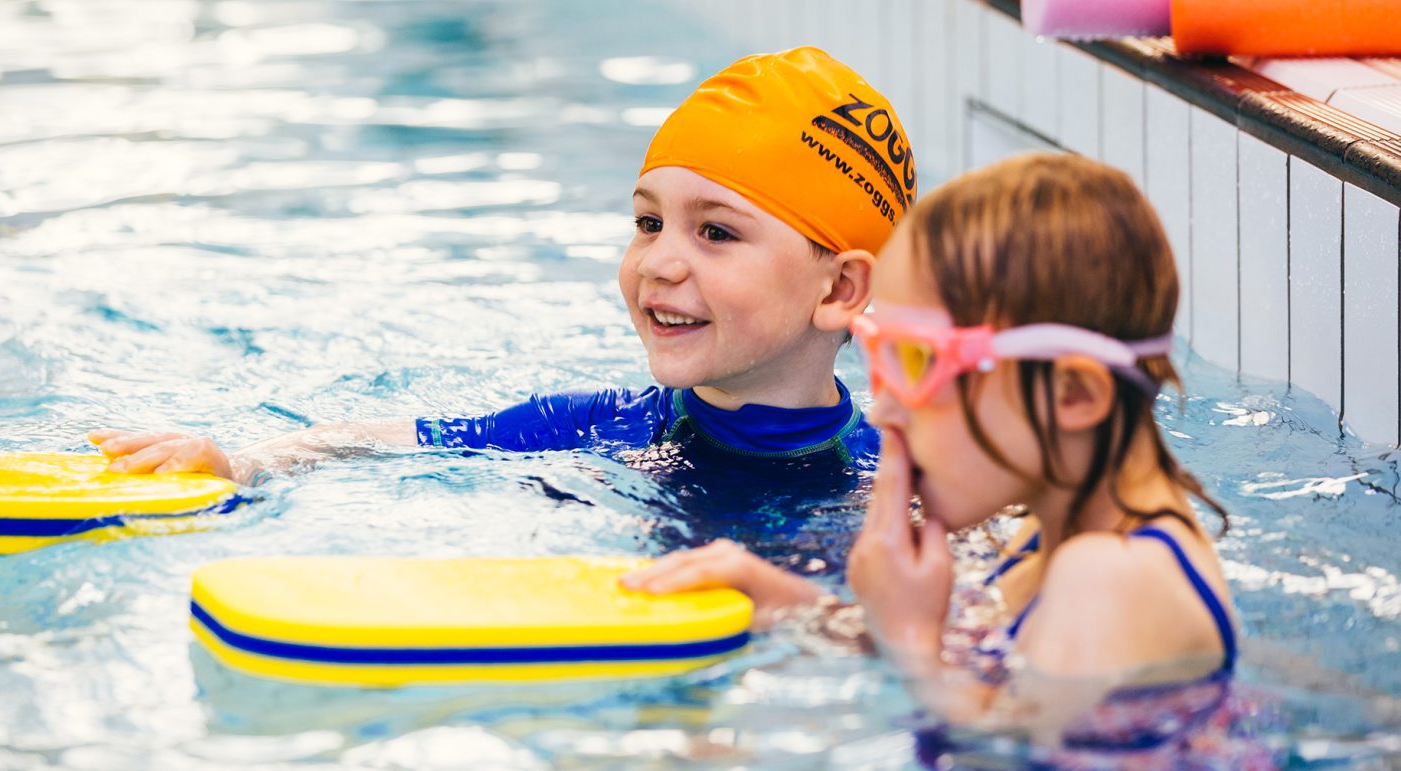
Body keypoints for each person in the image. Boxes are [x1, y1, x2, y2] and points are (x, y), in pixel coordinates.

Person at [90, 47, 915, 492]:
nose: (659, 261)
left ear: (840, 288)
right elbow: (386, 444)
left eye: (718, 234)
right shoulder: (595, 428)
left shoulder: (914, 469)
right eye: (648, 221)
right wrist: (240, 463)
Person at [623, 153, 1242, 734]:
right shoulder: (1050, 534)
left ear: (1074, 395)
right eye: (882, 359)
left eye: (920, 363)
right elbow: (988, 693)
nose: (886, 407)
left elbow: (1022, 760)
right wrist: (801, 608)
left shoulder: (1108, 576)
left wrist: (911, 648)